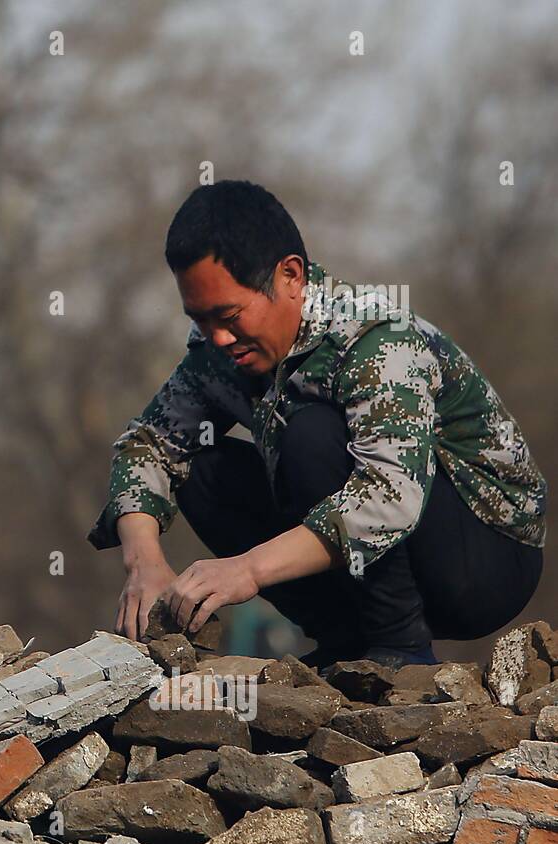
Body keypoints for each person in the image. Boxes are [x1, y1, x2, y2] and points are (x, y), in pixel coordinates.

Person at [88, 180, 546, 670]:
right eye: (200, 320)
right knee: (204, 471)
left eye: (229, 315)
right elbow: (147, 444)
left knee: (311, 436)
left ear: (290, 276)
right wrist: (145, 561)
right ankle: (345, 642)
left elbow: (390, 493)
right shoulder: (220, 354)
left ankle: (401, 651)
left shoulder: (375, 339)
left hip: (487, 562)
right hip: (386, 550)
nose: (217, 337)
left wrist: (248, 570)